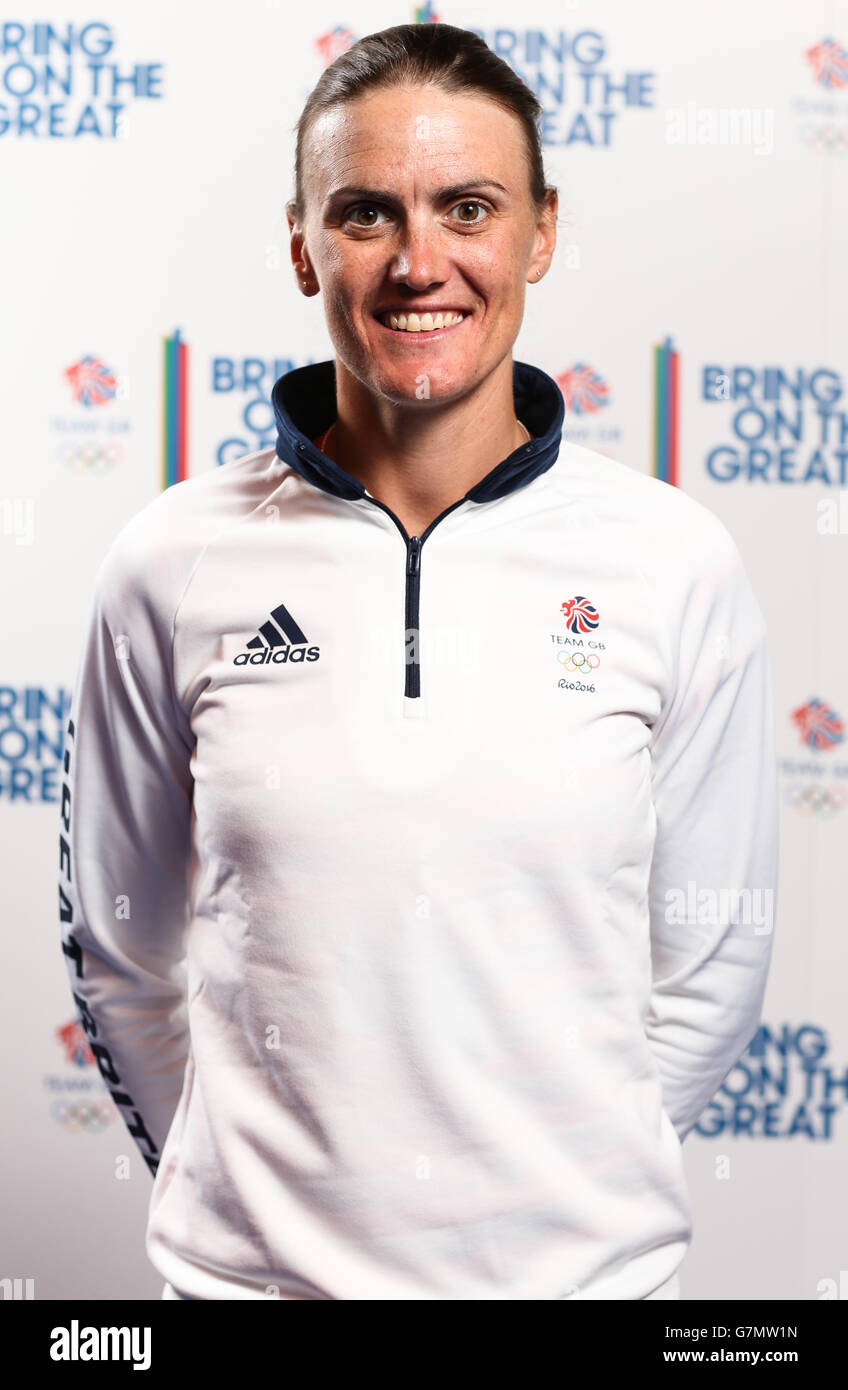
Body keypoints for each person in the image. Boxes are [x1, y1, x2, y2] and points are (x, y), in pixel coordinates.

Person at [58, 22, 778, 1301]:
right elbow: (120, 956)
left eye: (467, 208)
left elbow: (710, 961)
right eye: (363, 213)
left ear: (539, 233)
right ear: (300, 245)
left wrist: (558, 1218)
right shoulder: (167, 561)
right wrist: (248, 1219)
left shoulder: (672, 561)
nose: (416, 262)